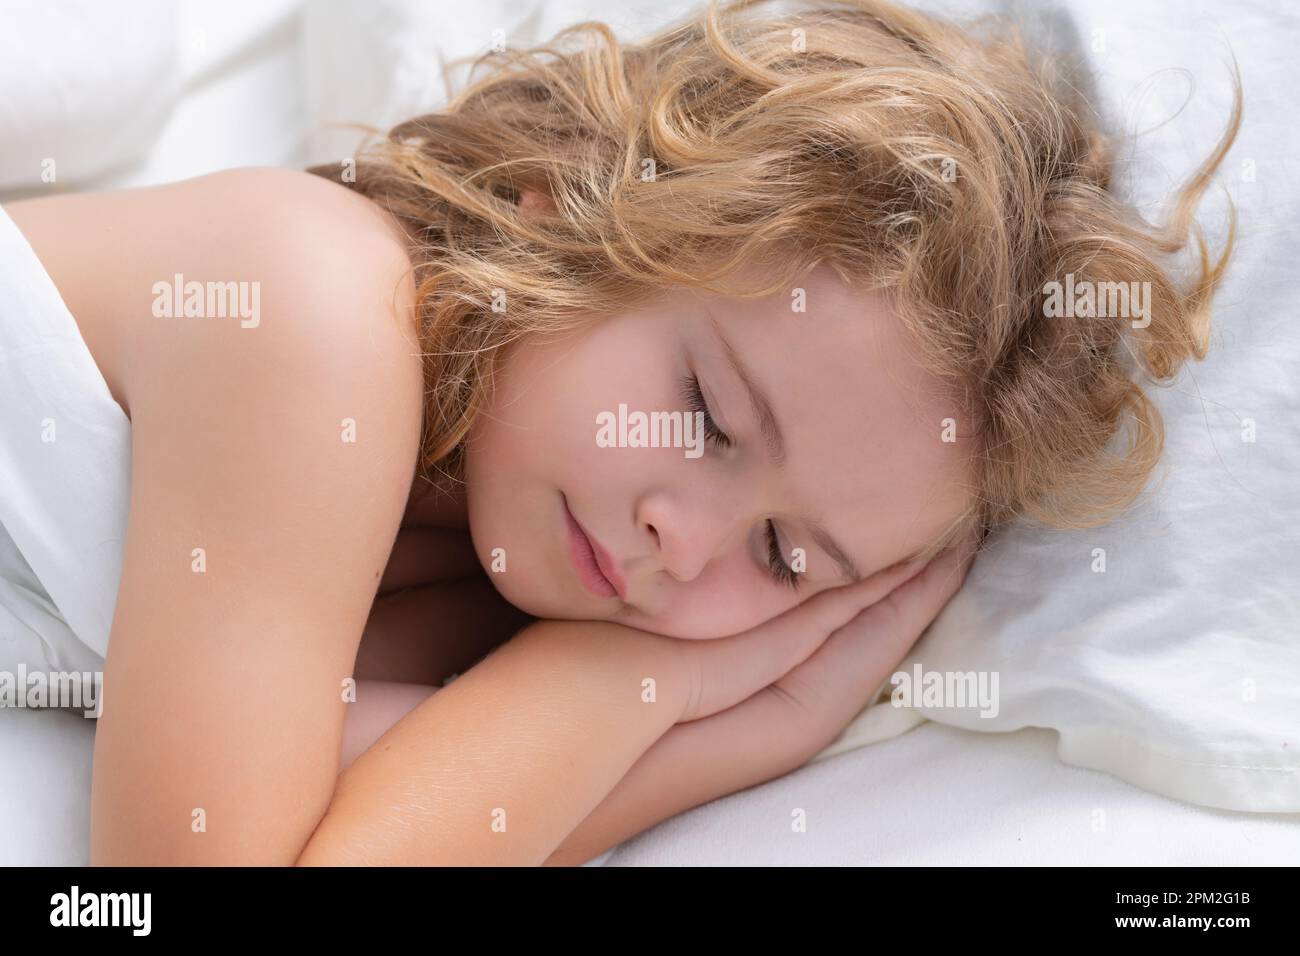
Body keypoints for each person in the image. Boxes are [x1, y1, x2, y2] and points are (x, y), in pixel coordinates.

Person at [0, 0, 1237, 865]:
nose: (681, 540)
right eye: (704, 414)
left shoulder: (485, 588)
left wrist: (631, 686)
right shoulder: (307, 303)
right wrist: (665, 700)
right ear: (565, 192)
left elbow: (355, 818)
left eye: (786, 559)